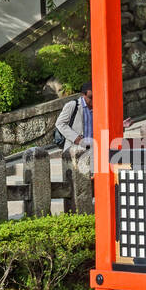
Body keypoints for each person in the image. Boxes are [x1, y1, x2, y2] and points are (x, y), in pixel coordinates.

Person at [55, 84, 95, 214]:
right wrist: (76, 138)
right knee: (76, 182)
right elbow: (60, 123)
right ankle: (76, 211)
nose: (93, 100)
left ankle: (89, 209)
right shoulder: (73, 105)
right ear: (83, 95)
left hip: (92, 150)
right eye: (90, 97)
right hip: (75, 150)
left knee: (92, 180)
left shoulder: (98, 106)